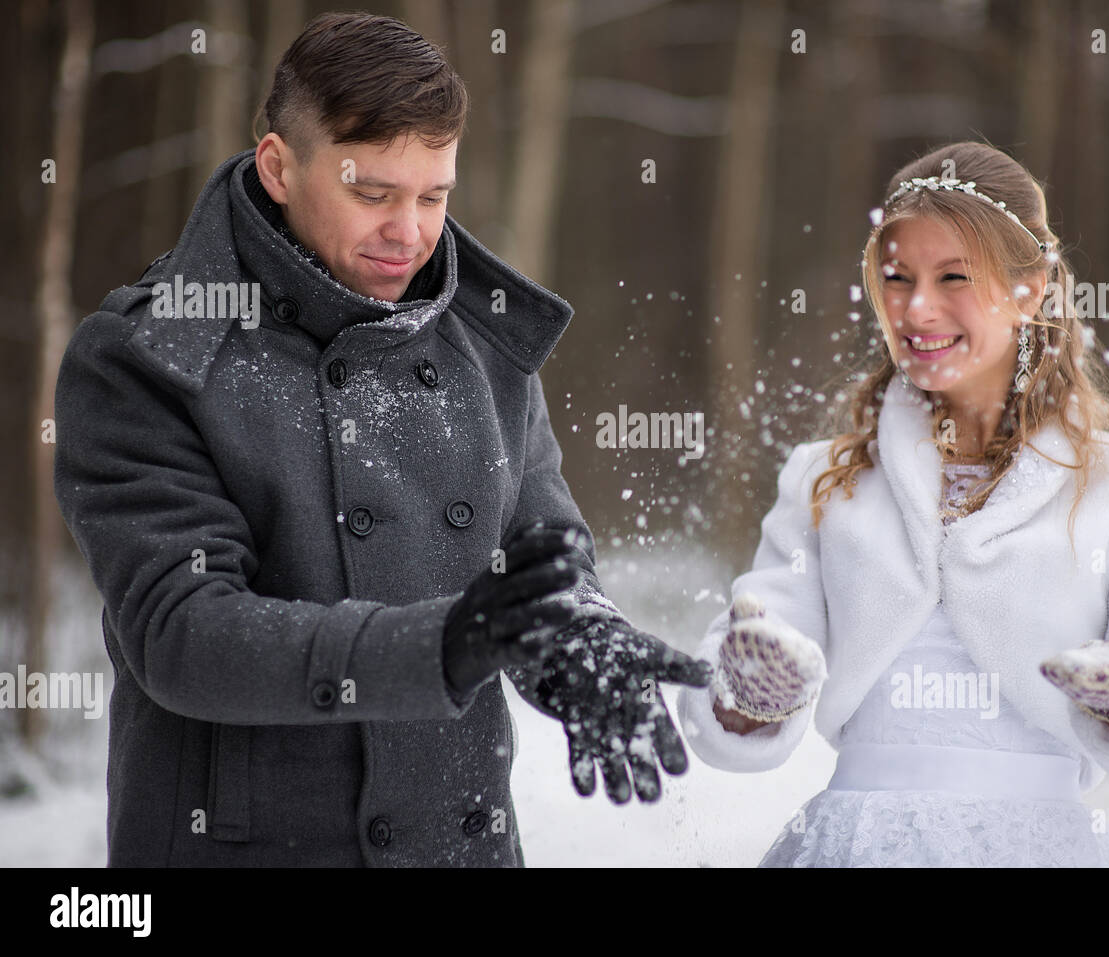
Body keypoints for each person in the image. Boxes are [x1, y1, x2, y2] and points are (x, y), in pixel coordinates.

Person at [52, 11, 710, 867]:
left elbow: (544, 559)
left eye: (434, 196)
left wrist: (578, 639)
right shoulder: (153, 354)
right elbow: (184, 633)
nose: (410, 231)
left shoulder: (485, 344)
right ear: (279, 167)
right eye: (373, 194)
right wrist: (438, 646)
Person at [676, 140, 1109, 867]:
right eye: (898, 278)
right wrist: (750, 690)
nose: (916, 307)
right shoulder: (824, 479)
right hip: (853, 848)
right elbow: (748, 669)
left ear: (1029, 290)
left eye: (953, 277)